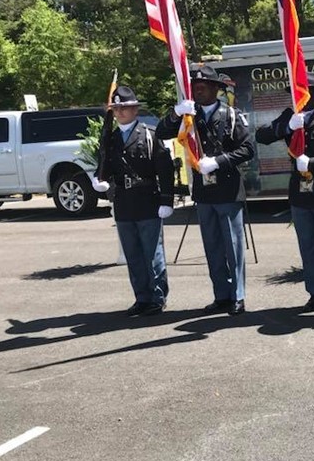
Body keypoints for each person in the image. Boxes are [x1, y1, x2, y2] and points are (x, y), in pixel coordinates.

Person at [156, 64, 255, 315]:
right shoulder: (188, 116)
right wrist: (175, 113)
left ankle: (238, 296)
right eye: (195, 87)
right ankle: (221, 294)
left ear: (215, 89)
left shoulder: (231, 115)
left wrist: (219, 161)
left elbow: (248, 149)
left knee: (233, 246)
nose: (198, 91)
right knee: (212, 246)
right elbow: (161, 132)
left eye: (202, 87)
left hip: (228, 190)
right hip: (204, 191)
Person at [255, 71, 314, 312]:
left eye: (306, 92)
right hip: (300, 192)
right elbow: (262, 136)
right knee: (307, 244)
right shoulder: (289, 118)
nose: (300, 97)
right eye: (297, 92)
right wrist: (286, 125)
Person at [89, 85, 175, 317]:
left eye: (124, 108)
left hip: (147, 200)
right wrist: (100, 181)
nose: (119, 113)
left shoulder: (150, 134)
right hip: (124, 202)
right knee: (133, 254)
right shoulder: (111, 138)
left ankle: (157, 297)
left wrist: (167, 199)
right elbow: (105, 165)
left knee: (152, 254)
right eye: (116, 108)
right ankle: (142, 297)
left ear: (135, 109)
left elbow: (165, 169)